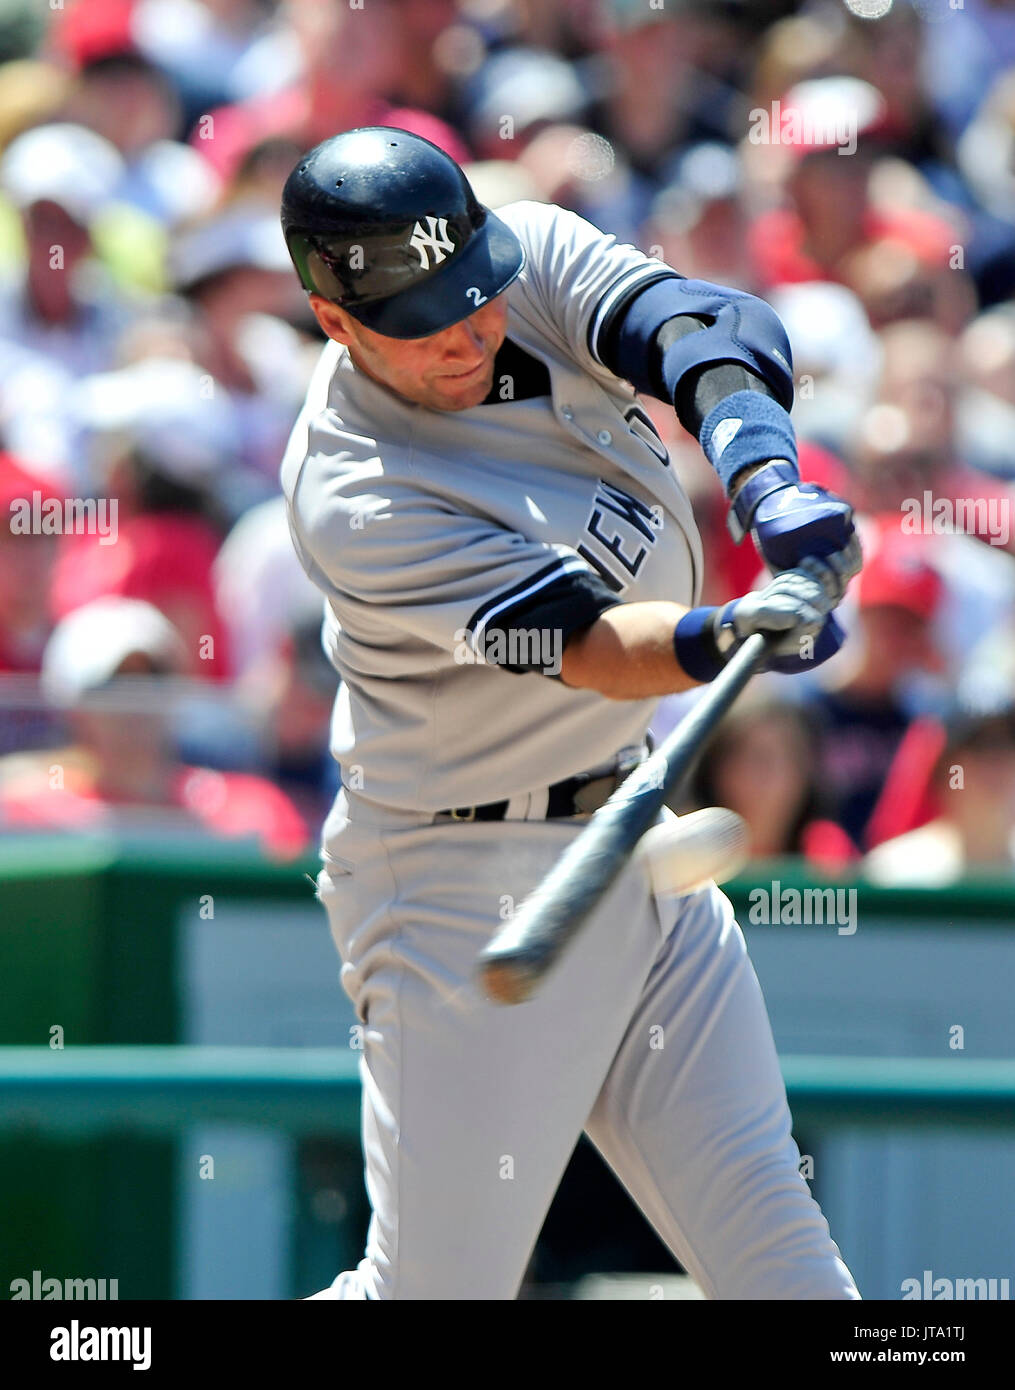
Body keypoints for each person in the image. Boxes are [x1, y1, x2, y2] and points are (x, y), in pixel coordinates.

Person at [279, 127, 861, 1301]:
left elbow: (705, 328)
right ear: (336, 323)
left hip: (635, 843)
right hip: (459, 876)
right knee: (432, 1292)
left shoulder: (519, 261)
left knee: (784, 1267)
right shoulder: (353, 491)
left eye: (473, 292)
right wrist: (729, 633)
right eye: (422, 318)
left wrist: (766, 479)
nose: (469, 328)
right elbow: (594, 647)